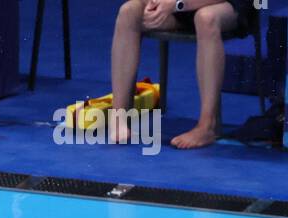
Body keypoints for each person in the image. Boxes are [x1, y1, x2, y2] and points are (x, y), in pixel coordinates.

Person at [110, 0, 257, 149]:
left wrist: (178, 4)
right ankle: (119, 116)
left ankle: (207, 126)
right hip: (178, 7)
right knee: (128, 12)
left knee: (206, 18)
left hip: (228, 5)